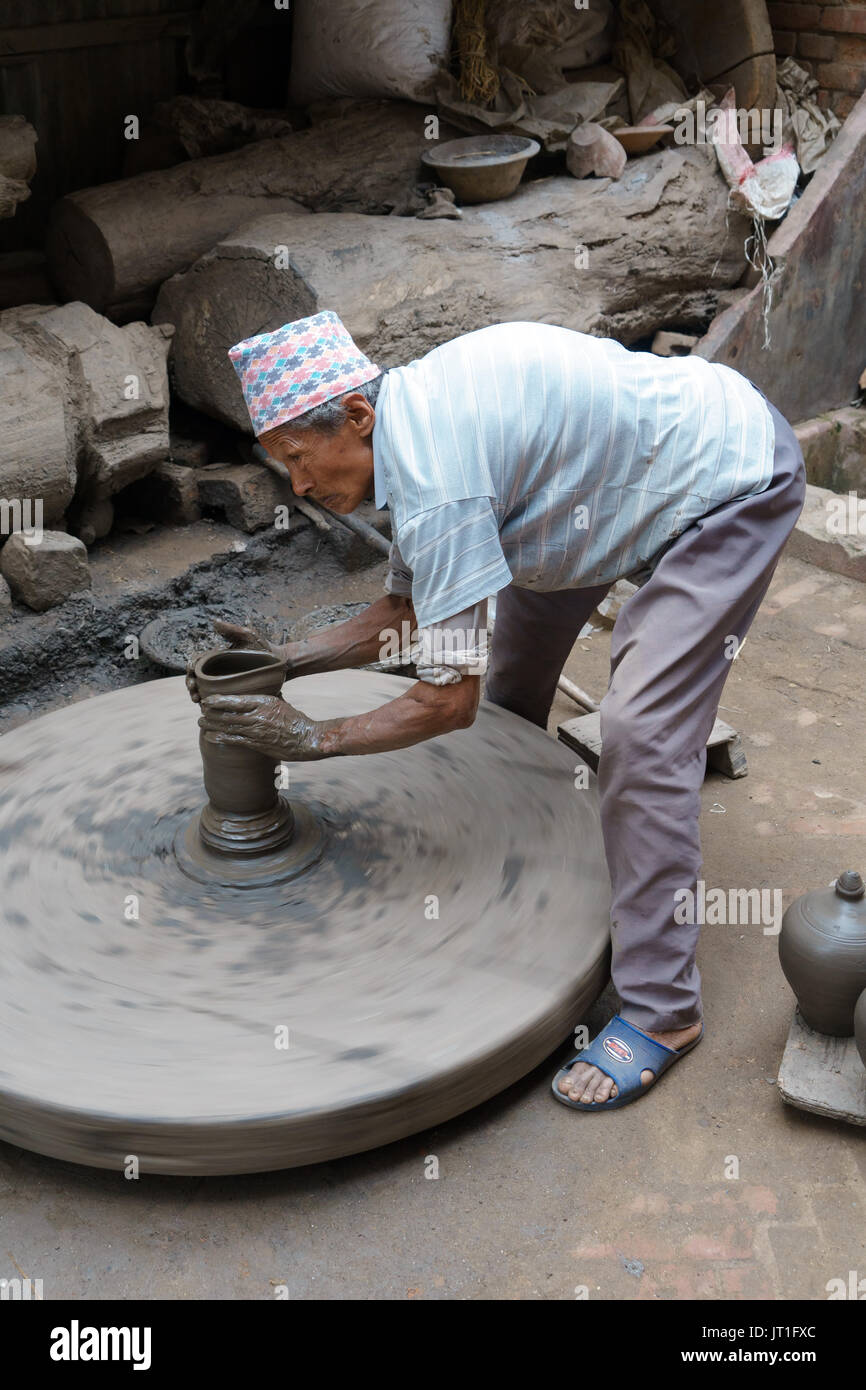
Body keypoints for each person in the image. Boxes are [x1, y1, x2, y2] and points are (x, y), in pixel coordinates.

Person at [188, 309, 805, 1112]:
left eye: (302, 461)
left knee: (643, 738)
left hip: (726, 479)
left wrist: (312, 737)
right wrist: (287, 659)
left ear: (357, 416)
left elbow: (447, 701)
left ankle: (664, 1009)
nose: (300, 488)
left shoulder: (440, 484)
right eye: (285, 471)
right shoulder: (411, 432)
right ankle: (540, 847)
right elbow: (406, 614)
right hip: (590, 486)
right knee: (513, 662)